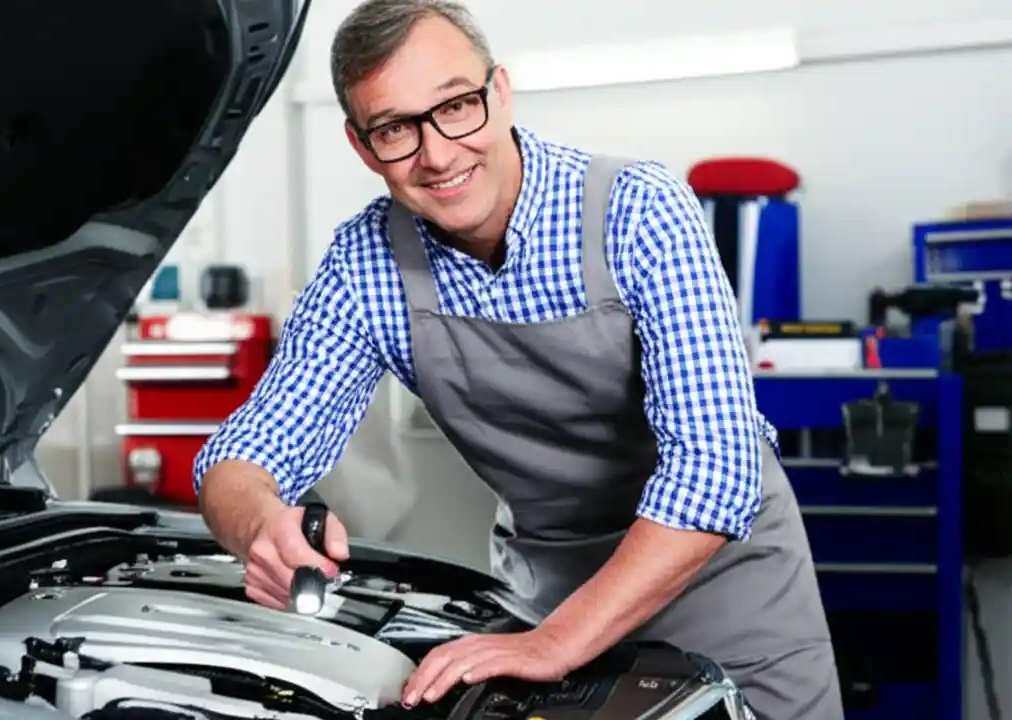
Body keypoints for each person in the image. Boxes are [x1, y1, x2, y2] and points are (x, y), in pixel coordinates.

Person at [192, 1, 842, 717]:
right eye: (396, 129)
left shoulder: (637, 211)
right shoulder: (364, 265)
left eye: (456, 107)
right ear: (361, 144)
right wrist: (263, 529)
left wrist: (557, 642)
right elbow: (242, 455)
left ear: (499, 93)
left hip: (727, 597)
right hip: (548, 587)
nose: (437, 154)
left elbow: (716, 470)